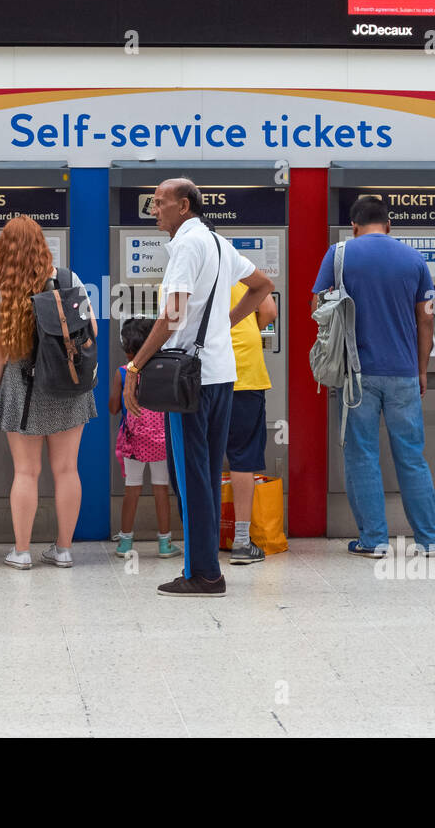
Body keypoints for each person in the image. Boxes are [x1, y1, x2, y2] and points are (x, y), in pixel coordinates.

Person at [123, 178, 274, 597]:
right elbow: (263, 286)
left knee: (192, 478)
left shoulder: (188, 245)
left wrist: (136, 365)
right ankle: (205, 569)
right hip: (221, 375)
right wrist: (227, 322)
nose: (153, 209)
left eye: (159, 203)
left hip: (190, 382)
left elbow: (172, 315)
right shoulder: (219, 242)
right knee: (204, 474)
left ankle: (205, 573)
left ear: (184, 205)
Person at [311, 195, 435, 560]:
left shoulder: (339, 256)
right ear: (389, 225)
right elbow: (427, 318)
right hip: (403, 375)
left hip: (356, 374)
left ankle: (374, 540)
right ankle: (430, 540)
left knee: (362, 456)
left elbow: (318, 310)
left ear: (354, 227)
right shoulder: (415, 259)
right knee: (412, 457)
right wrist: (421, 369)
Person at [0, 215, 97, 570]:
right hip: (68, 385)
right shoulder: (67, 278)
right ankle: (63, 550)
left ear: (6, 250)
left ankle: (21, 551)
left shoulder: (0, 293)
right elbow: (91, 329)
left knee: (26, 472)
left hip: (24, 387)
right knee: (66, 469)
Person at [109, 317, 180, 561]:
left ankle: (125, 543)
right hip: (161, 442)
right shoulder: (162, 371)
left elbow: (113, 408)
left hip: (134, 443)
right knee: (161, 490)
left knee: (132, 491)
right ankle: (164, 543)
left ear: (128, 348)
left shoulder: (122, 373)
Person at [225, 282, 278, 565]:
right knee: (243, 458)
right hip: (245, 372)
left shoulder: (185, 270)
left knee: (203, 457)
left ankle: (203, 539)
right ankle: (242, 542)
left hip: (204, 374)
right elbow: (269, 310)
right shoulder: (240, 272)